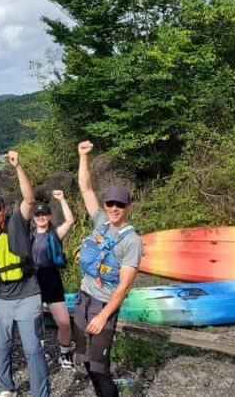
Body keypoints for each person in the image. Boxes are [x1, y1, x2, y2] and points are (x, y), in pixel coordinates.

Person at [0, 151, 50, 397]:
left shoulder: (16, 223)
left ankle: (41, 393)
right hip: (1, 299)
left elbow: (29, 199)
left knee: (32, 349)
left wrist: (18, 167)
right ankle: (6, 387)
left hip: (27, 294)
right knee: (0, 348)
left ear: (4, 209)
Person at [74, 140, 143, 397]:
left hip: (103, 304)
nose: (114, 208)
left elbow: (124, 286)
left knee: (99, 366)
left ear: (128, 208)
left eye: (120, 205)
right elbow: (86, 188)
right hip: (83, 298)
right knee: (86, 360)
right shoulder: (101, 221)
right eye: (110, 203)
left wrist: (103, 316)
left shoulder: (132, 241)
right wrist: (83, 156)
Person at [31, 190, 75, 368]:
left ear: (49, 216)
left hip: (52, 279)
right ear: (34, 218)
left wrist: (62, 199)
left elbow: (70, 221)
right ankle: (39, 351)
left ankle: (65, 353)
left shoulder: (55, 234)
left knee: (64, 322)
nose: (41, 217)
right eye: (38, 215)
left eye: (44, 214)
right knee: (35, 320)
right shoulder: (29, 235)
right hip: (33, 280)